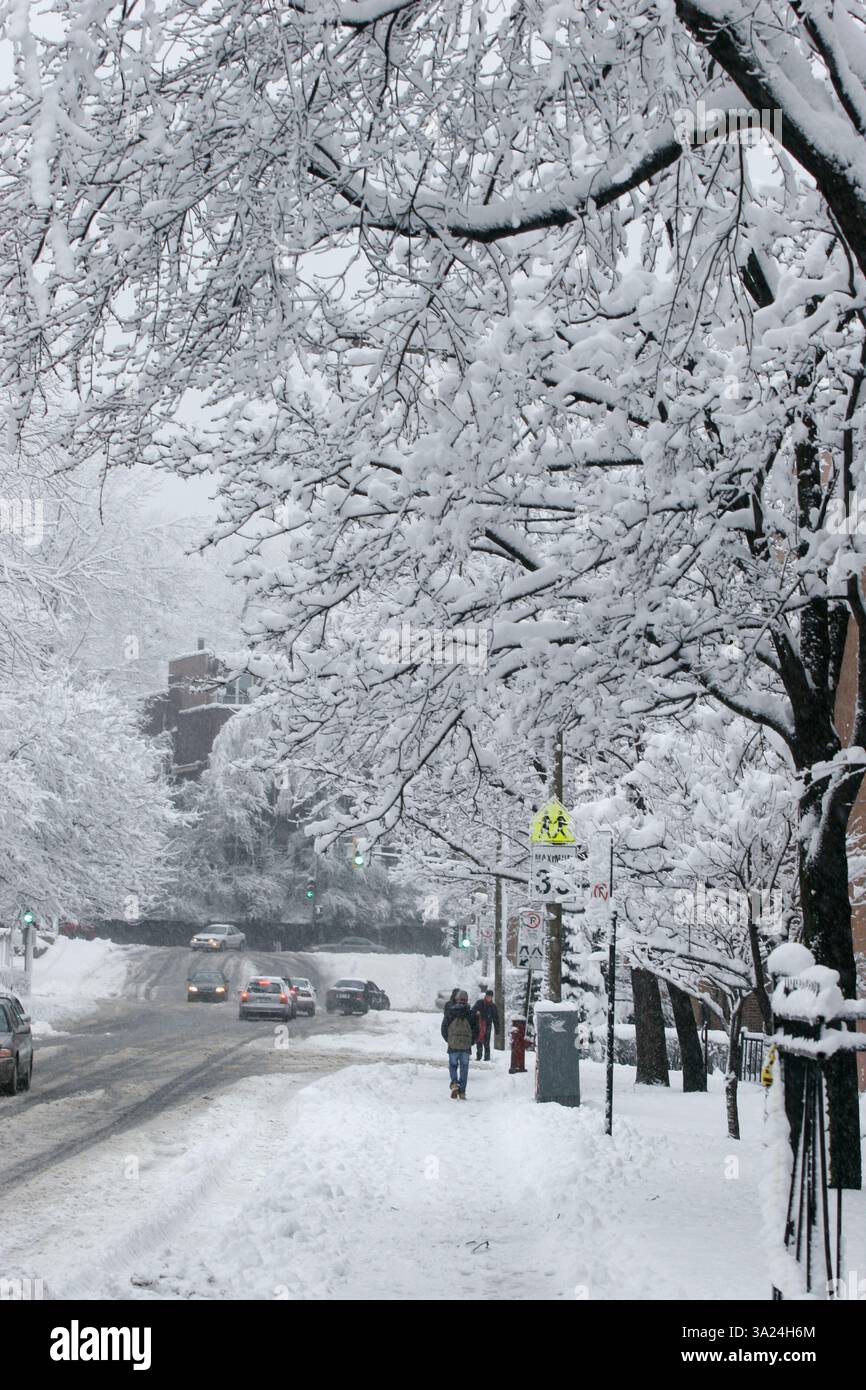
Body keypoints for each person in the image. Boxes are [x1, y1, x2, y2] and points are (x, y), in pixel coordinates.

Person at [440, 989, 477, 1099]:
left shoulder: (450, 1012)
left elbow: (444, 1029)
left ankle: (455, 1083)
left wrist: (449, 1040)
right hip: (465, 1046)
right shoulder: (471, 1013)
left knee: (453, 1065)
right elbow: (476, 1030)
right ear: (466, 1000)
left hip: (453, 1045)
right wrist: (471, 1042)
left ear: (456, 999)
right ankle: (462, 1092)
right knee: (464, 1068)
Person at [471, 989, 500, 1061]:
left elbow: (496, 1018)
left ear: (492, 997)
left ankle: (487, 1058)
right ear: (485, 996)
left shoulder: (493, 1006)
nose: (489, 998)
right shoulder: (479, 1003)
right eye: (487, 996)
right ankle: (479, 1056)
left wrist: (497, 1029)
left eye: (490, 997)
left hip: (487, 1026)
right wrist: (476, 1013)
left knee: (487, 1042)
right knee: (479, 1041)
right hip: (479, 1025)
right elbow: (472, 1011)